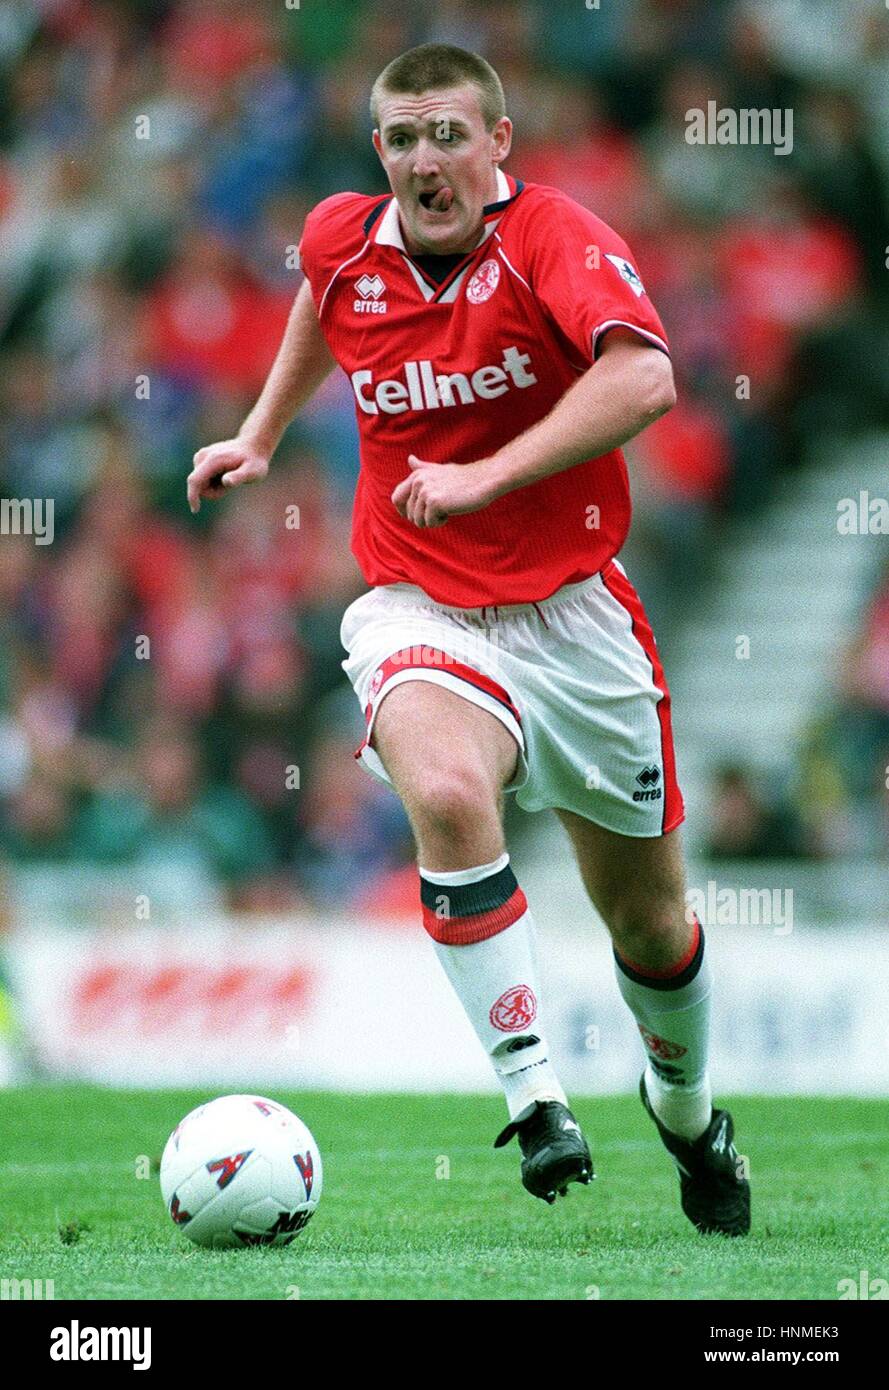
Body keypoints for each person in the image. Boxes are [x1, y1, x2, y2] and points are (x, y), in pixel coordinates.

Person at [187, 44, 749, 1235]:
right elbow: (316, 302)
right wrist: (260, 436)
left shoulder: (551, 232)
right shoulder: (344, 237)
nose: (422, 161)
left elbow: (643, 381)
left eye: (447, 134)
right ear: (377, 151)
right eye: (399, 139)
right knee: (443, 790)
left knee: (650, 924)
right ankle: (535, 1097)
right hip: (420, 607)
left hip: (576, 617)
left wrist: (485, 474)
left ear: (498, 143)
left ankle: (689, 1113)